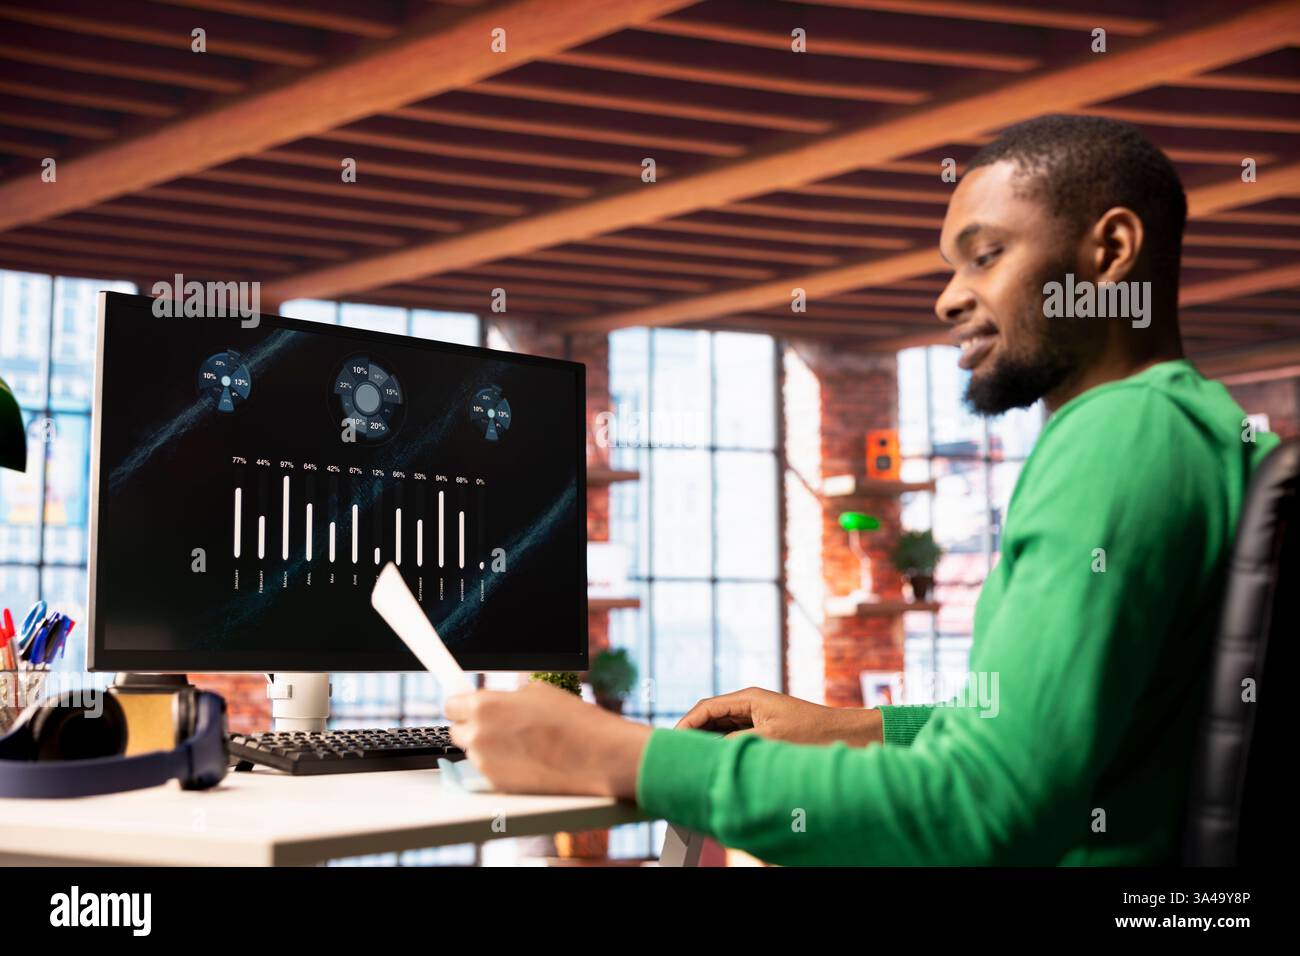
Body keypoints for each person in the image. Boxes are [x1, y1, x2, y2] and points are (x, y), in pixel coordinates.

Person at [444, 115, 1279, 865]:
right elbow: (1057, 733)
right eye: (952, 267)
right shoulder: (1204, 431)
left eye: (986, 256)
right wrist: (854, 728)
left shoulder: (1113, 438)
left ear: (1110, 252)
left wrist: (618, 755)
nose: (950, 298)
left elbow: (982, 809)